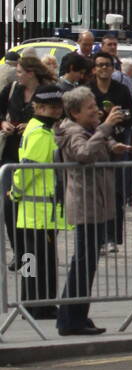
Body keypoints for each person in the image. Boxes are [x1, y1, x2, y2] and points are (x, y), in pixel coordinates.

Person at [55, 86, 131, 335]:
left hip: (97, 203)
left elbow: (96, 146)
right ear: (76, 113)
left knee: (87, 263)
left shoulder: (87, 130)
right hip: (86, 204)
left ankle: (75, 315)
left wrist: (112, 147)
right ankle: (70, 319)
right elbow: (83, 153)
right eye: (90, 108)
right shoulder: (74, 131)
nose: (97, 110)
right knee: (83, 263)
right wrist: (106, 127)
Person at [9, 85, 69, 319]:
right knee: (36, 260)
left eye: (58, 106)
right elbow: (27, 169)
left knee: (35, 259)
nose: (56, 111)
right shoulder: (40, 133)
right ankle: (35, 304)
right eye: (51, 107)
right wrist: (15, 192)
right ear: (39, 107)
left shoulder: (42, 130)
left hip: (38, 208)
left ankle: (36, 302)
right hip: (37, 209)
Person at [1, 53, 56, 257]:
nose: (17, 76)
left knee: (37, 255)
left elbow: (57, 118)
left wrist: (33, 124)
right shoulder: (12, 89)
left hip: (34, 161)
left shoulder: (47, 93)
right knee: (9, 205)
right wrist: (3, 123)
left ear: (31, 73)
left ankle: (29, 263)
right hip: (12, 153)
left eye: (20, 72)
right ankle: (21, 255)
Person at [89, 50, 132, 252]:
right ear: (94, 69)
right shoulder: (88, 89)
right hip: (94, 143)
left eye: (107, 65)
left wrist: (118, 114)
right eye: (100, 65)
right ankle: (97, 236)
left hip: (118, 144)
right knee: (96, 193)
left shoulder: (120, 89)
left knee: (116, 192)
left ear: (113, 68)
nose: (104, 68)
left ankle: (112, 237)